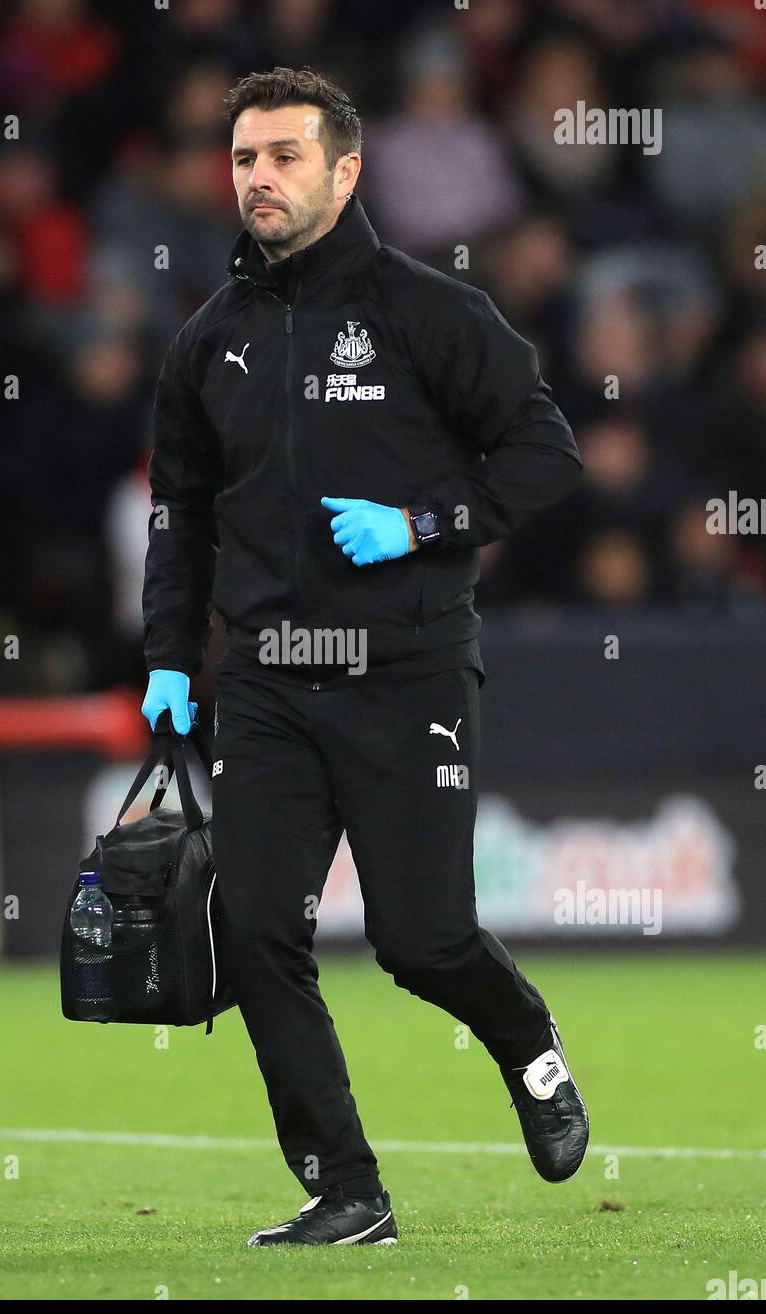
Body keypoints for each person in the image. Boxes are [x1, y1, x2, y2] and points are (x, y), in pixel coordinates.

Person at [141, 65, 588, 1247]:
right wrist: (168, 656)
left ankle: (526, 1045)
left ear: (345, 170)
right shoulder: (207, 341)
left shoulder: (428, 311)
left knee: (420, 939)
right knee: (252, 931)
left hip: (406, 673)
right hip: (269, 680)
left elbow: (545, 454)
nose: (259, 180)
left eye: (285, 156)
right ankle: (346, 1188)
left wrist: (423, 522)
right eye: (243, 158)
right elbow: (178, 512)